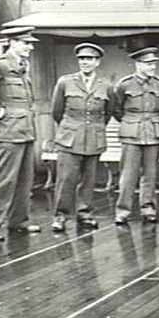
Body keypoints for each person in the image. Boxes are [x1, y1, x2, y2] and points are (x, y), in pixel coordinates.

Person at [51, 43, 114, 232]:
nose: (85, 62)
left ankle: (84, 213)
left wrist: (94, 129)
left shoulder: (106, 86)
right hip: (70, 138)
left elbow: (108, 113)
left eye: (89, 59)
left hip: (93, 138)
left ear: (97, 62)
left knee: (89, 179)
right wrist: (71, 128)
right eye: (82, 59)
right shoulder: (65, 82)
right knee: (66, 179)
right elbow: (57, 111)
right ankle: (60, 216)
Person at [0, 26, 42, 243]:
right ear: (13, 43)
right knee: (3, 179)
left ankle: (18, 220)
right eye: (26, 43)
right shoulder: (0, 64)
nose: (30, 47)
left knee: (25, 178)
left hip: (27, 129)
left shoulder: (23, 66)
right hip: (10, 130)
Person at [111, 47, 159, 225]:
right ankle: (123, 211)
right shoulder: (125, 84)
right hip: (131, 134)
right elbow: (116, 110)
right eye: (149, 64)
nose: (153, 67)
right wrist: (131, 123)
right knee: (128, 175)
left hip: (152, 132)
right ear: (138, 64)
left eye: (154, 64)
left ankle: (148, 209)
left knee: (150, 174)